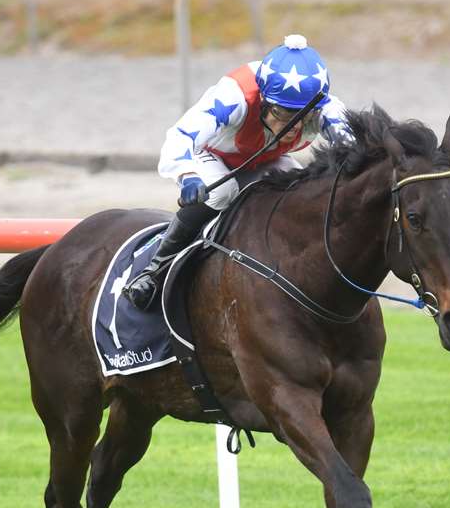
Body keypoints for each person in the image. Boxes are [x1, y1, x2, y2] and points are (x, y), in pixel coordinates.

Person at [123, 34, 352, 310]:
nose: (294, 125)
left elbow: (356, 148)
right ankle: (154, 270)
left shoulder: (325, 107)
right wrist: (188, 175)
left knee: (297, 192)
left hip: (265, 158)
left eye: (302, 115)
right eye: (282, 113)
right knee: (221, 192)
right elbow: (180, 136)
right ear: (264, 101)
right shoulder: (235, 96)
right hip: (209, 154)